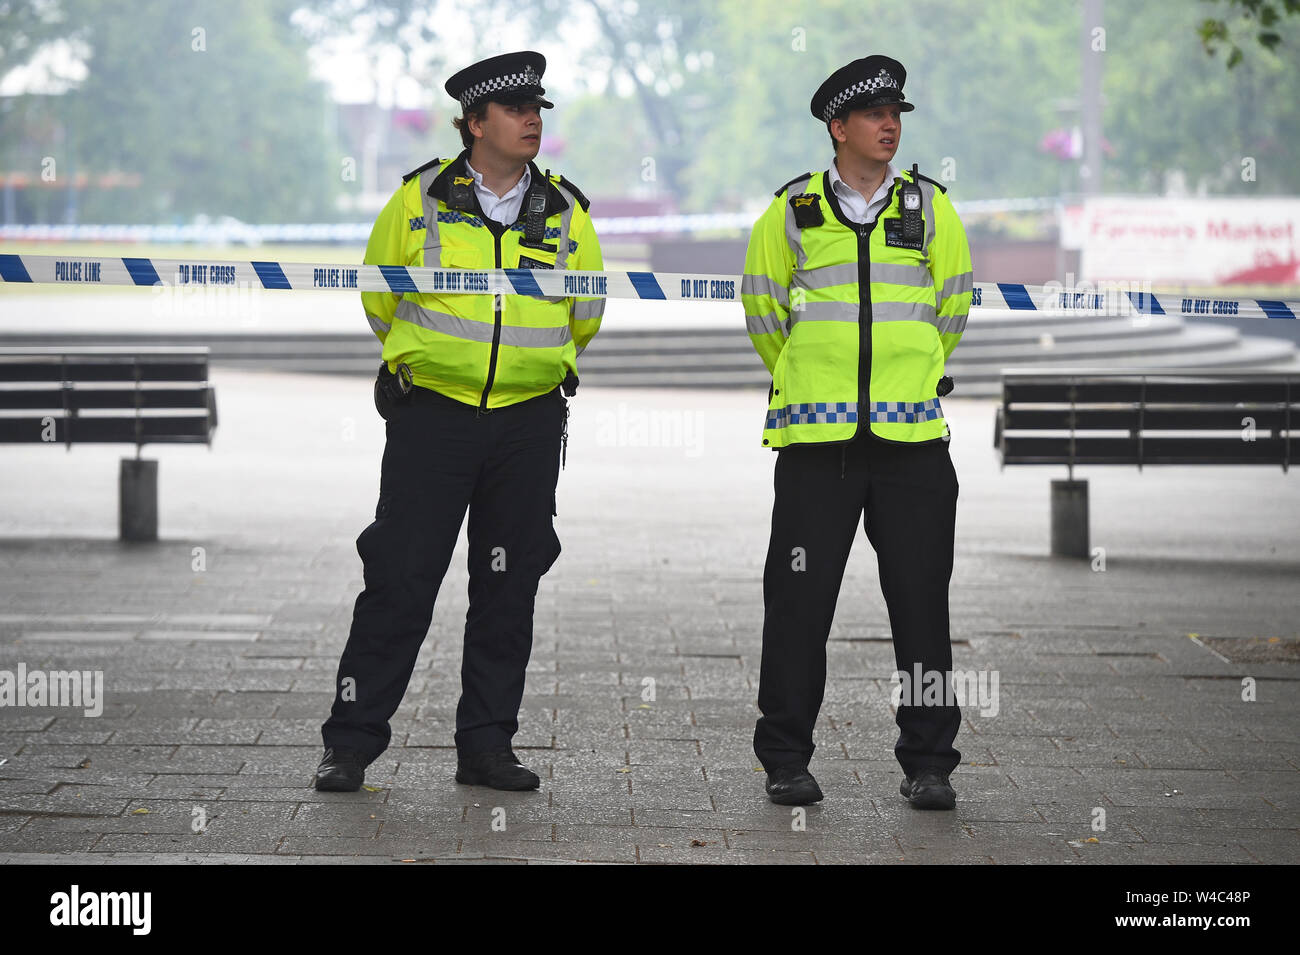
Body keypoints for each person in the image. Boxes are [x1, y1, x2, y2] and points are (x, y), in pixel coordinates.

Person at [314, 51, 605, 793]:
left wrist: (528, 370)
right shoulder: (419, 199)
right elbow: (380, 299)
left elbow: (587, 309)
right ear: (475, 124)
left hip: (528, 423)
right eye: (514, 110)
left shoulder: (566, 209)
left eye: (538, 109)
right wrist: (435, 361)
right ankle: (349, 744)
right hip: (433, 420)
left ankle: (486, 747)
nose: (532, 120)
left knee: (509, 587)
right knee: (400, 579)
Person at [741, 55, 973, 809]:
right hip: (818, 448)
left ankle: (931, 760)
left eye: (896, 114)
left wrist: (905, 379)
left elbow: (953, 309)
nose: (890, 126)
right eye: (874, 116)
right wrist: (819, 382)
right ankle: (785, 758)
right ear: (837, 128)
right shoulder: (790, 213)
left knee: (922, 608)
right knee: (799, 606)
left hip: (913, 445)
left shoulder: (932, 209)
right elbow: (764, 314)